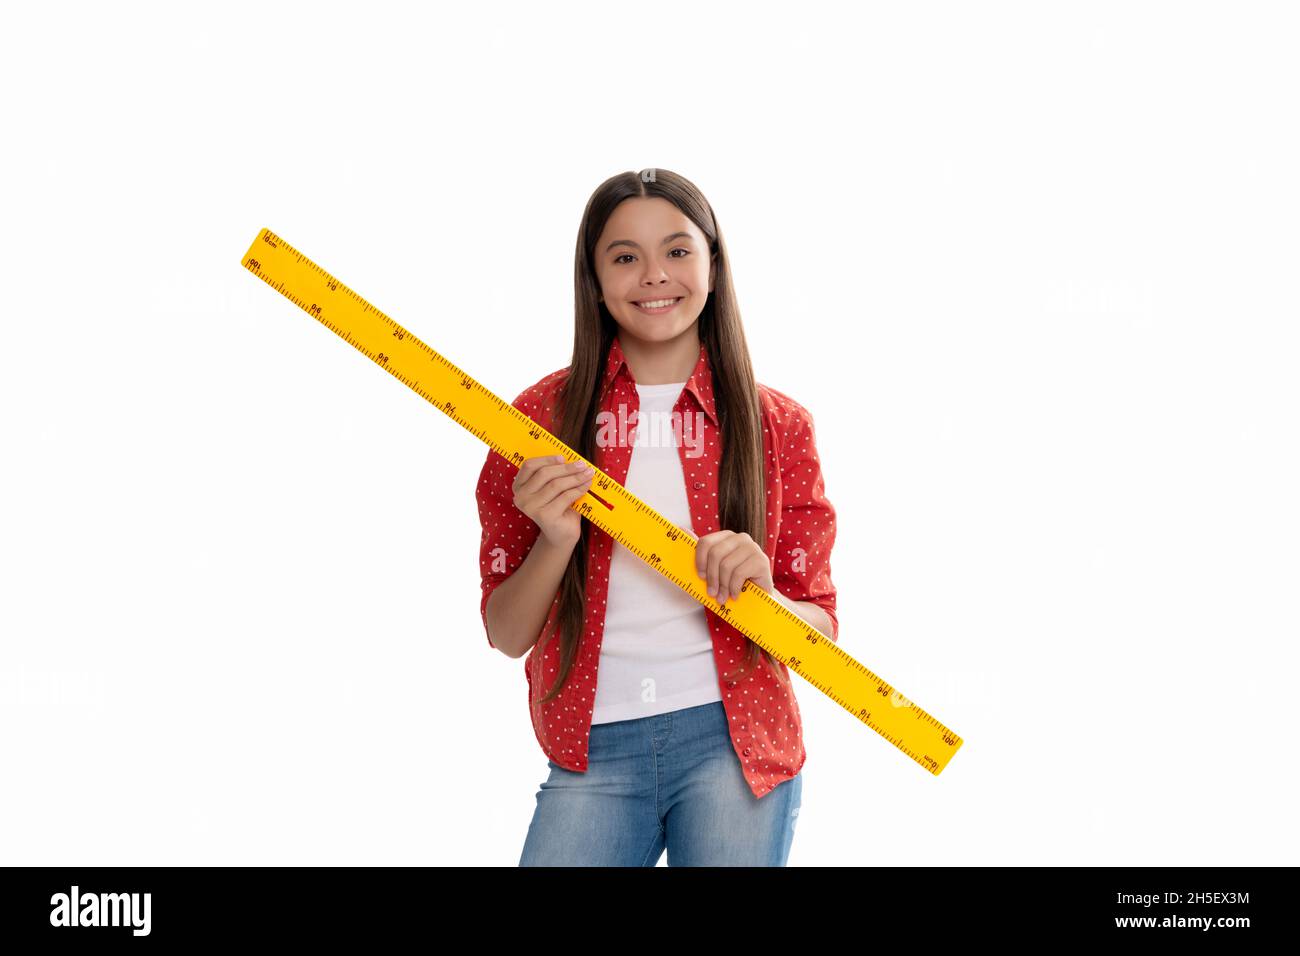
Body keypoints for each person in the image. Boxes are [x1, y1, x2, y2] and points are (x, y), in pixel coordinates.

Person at [475, 168, 839, 866]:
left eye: (676, 251)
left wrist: (765, 598)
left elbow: (820, 626)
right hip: (594, 751)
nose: (653, 276)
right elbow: (507, 632)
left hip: (734, 748)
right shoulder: (537, 422)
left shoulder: (779, 426)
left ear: (712, 264)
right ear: (594, 277)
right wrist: (556, 540)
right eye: (624, 256)